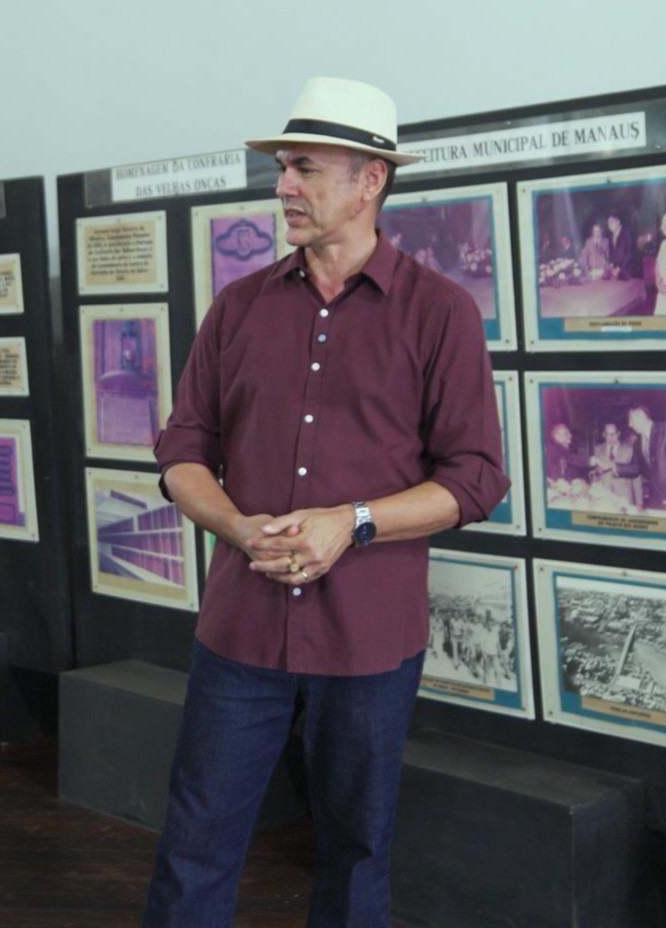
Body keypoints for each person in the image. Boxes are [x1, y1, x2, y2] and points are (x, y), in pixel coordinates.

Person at [144, 77, 508, 927]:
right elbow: (181, 451)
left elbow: (476, 477)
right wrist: (237, 527)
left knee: (355, 853)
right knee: (194, 847)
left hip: (369, 641)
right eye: (282, 168)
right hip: (240, 634)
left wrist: (355, 522)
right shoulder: (237, 308)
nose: (283, 186)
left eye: (304, 168)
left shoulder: (440, 313)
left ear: (370, 179)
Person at [619, 404, 666, 515]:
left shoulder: (665, 429)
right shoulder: (638, 443)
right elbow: (635, 468)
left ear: (641, 415)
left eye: (631, 419)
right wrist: (612, 466)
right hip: (658, 504)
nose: (630, 424)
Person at [588, 421, 640, 507]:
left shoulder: (629, 450)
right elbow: (593, 473)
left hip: (624, 497)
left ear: (618, 434)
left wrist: (639, 503)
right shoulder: (598, 449)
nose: (611, 437)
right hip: (604, 497)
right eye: (608, 434)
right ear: (604, 435)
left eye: (613, 434)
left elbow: (636, 476)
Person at [606, 213, 636, 279]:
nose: (609, 226)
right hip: (616, 274)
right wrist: (611, 265)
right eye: (608, 224)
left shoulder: (627, 233)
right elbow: (612, 254)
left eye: (611, 222)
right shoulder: (610, 236)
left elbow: (630, 254)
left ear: (618, 222)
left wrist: (619, 269)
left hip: (627, 272)